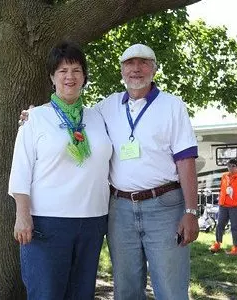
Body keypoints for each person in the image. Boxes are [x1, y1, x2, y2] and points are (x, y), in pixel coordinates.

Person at [20, 43, 199, 299]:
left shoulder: (173, 106)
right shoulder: (106, 108)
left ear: (154, 69)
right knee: (125, 289)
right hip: (120, 210)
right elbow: (71, 114)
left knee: (170, 288)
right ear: (122, 71)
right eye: (129, 64)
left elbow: (186, 160)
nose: (136, 69)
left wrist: (191, 212)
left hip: (165, 207)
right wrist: (35, 115)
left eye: (144, 63)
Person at [9, 41, 112, 300]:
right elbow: (21, 170)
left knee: (81, 293)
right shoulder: (35, 119)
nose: (70, 77)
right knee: (47, 294)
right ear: (52, 77)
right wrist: (23, 216)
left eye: (76, 70)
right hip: (47, 222)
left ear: (85, 77)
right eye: (62, 70)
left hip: (92, 220)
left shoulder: (98, 117)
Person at [209, 158, 237, 255]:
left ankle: (236, 248)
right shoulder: (224, 176)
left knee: (236, 226)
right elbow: (223, 189)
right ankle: (217, 244)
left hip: (236, 206)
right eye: (229, 166)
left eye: (233, 166)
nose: (231, 168)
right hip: (223, 205)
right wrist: (220, 199)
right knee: (220, 225)